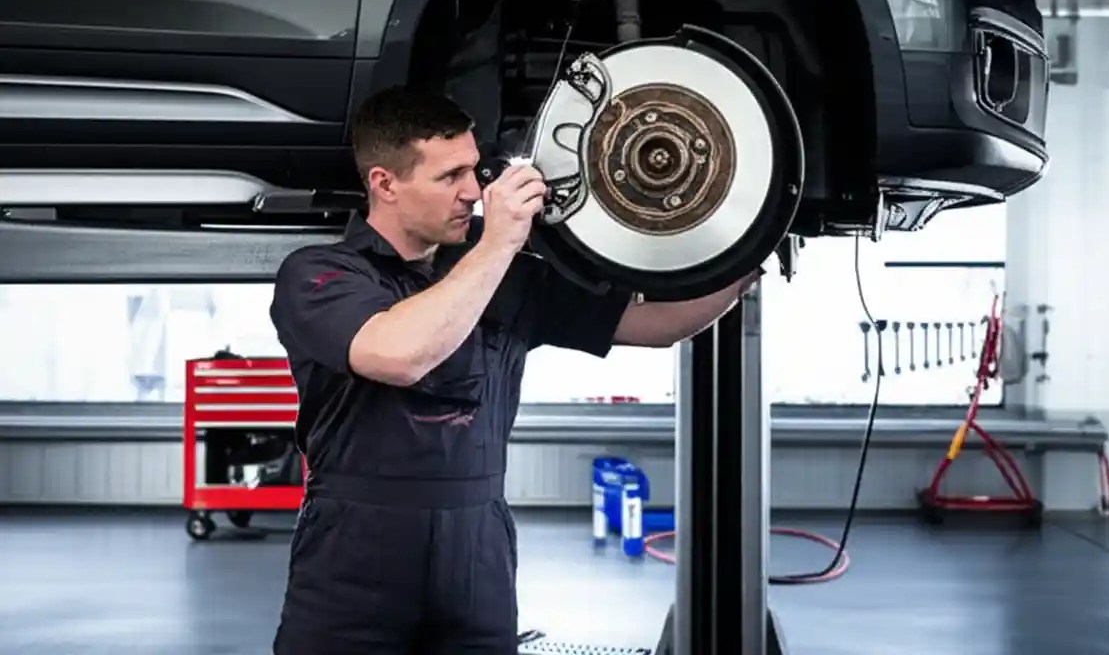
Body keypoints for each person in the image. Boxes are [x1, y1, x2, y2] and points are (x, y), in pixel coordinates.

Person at [268, 85, 762, 654]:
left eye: (475, 171)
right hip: (353, 550)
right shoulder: (318, 275)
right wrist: (498, 242)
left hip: (478, 547)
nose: (473, 192)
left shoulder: (505, 272)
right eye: (450, 176)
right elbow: (400, 355)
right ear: (385, 184)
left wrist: (750, 253)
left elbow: (654, 323)